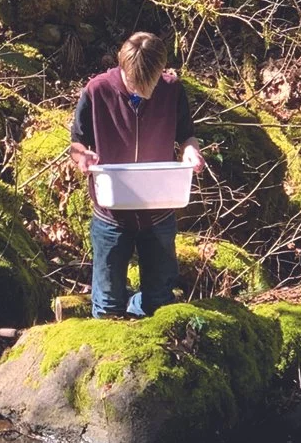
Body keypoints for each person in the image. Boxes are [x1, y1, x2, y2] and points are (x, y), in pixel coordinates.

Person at [69, 32, 205, 319]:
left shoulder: (171, 90)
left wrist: (191, 151)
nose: (143, 92)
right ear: (123, 69)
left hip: (158, 212)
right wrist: (83, 157)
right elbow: (76, 143)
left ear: (161, 71)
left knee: (160, 303)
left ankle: (137, 310)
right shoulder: (98, 91)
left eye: (150, 85)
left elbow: (187, 136)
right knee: (107, 306)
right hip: (110, 214)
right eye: (135, 85)